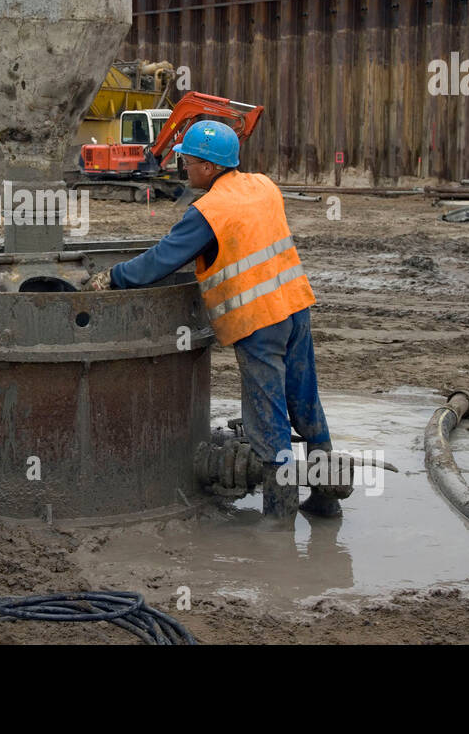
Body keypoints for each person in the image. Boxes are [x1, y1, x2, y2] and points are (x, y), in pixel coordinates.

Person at [87, 121, 349, 525]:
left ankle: (279, 516)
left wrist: (113, 277)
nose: (184, 168)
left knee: (267, 414)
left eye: (189, 162)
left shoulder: (208, 212)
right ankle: (326, 501)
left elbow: (160, 260)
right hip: (296, 306)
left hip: (259, 321)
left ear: (209, 167)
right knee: (304, 399)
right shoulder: (263, 186)